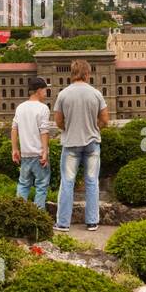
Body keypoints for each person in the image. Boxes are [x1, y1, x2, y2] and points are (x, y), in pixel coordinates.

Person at [53, 59, 108, 231]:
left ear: (72, 73)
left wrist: (68, 129)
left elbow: (58, 121)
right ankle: (92, 222)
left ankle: (63, 223)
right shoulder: (96, 94)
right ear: (87, 74)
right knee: (92, 182)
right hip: (92, 143)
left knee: (67, 182)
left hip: (70, 143)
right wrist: (94, 127)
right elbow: (105, 120)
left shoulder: (63, 94)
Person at [10, 77, 51, 210]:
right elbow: (44, 131)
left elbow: (14, 128)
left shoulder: (20, 107)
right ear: (39, 90)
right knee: (41, 186)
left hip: (26, 154)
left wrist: (15, 149)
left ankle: (18, 213)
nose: (46, 93)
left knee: (23, 184)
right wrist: (45, 151)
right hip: (38, 154)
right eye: (45, 90)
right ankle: (38, 216)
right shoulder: (43, 108)